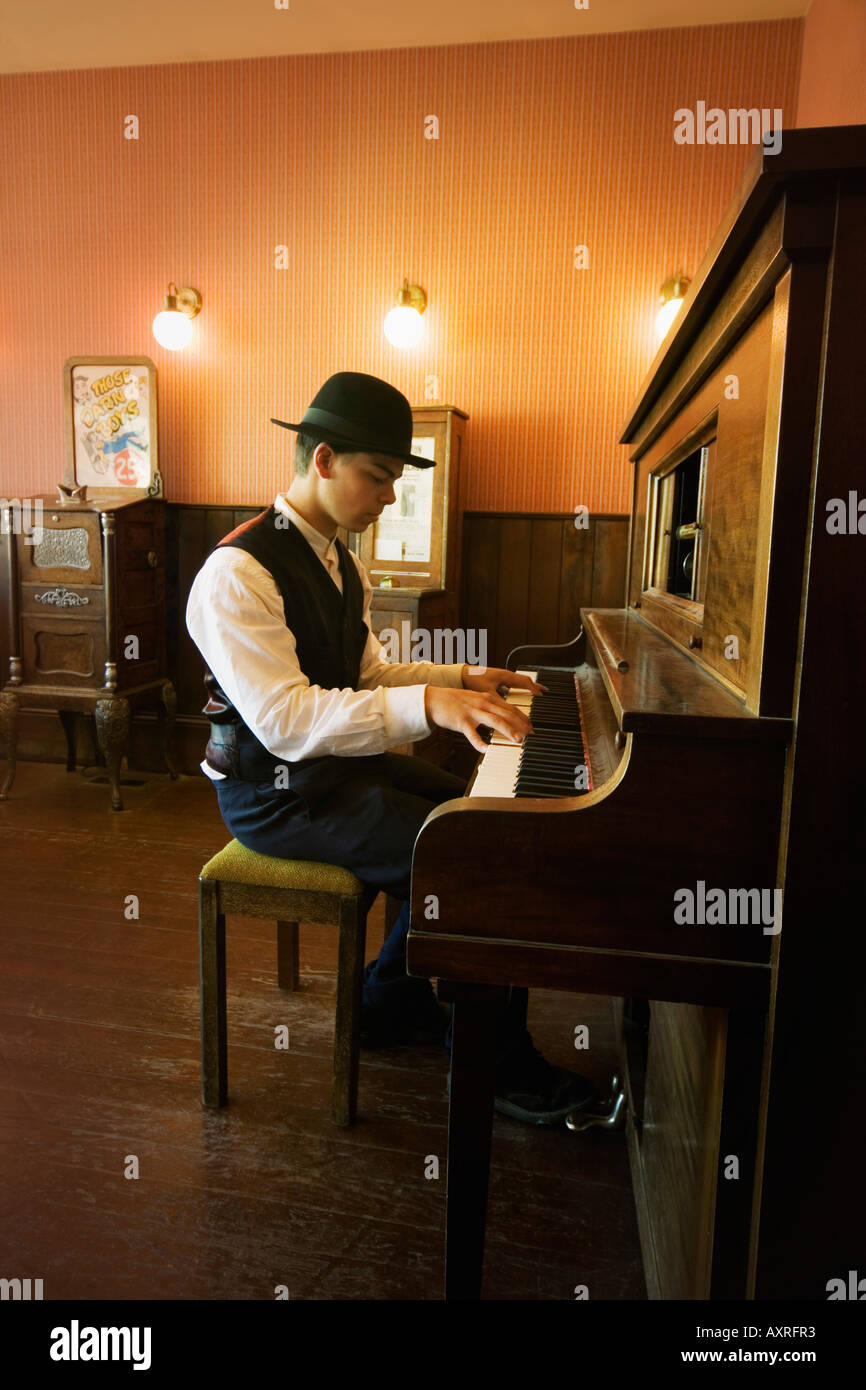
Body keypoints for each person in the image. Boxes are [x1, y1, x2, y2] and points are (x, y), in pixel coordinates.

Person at [186, 371, 598, 1125]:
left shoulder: (341, 560)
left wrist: (460, 675)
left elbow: (368, 675)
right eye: (377, 477)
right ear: (322, 460)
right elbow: (283, 719)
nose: (388, 498)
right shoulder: (236, 573)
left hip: (335, 774)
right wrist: (431, 705)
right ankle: (494, 1067)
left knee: (476, 822)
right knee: (472, 861)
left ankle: (388, 997)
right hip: (276, 796)